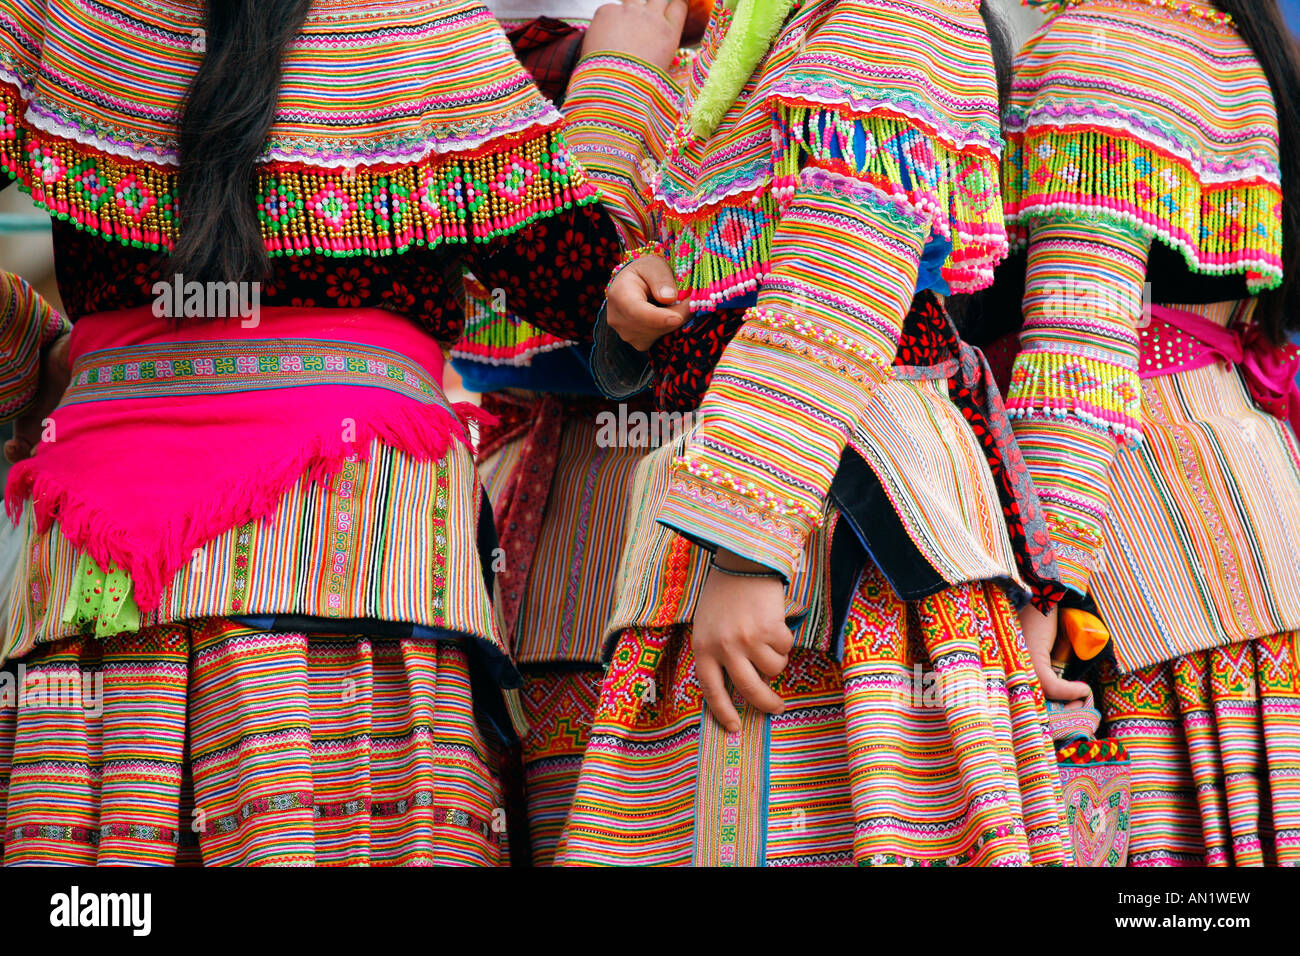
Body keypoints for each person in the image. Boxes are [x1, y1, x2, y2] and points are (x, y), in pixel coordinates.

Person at [0, 0, 622, 865]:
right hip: (356, 552)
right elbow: (601, 300)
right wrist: (622, 77)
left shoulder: (64, 18)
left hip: (92, 556)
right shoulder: (424, 32)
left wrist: (38, 358)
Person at [554, 0, 1073, 866]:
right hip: (726, 491)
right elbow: (607, 254)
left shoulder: (893, 11)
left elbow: (834, 287)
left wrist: (749, 552)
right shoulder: (758, 32)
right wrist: (641, 275)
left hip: (841, 504)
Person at [996, 0, 1300, 866]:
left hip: (1122, 520)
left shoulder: (1103, 43)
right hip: (1235, 496)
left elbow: (1080, 343)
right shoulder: (1218, 31)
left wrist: (1042, 589)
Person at [456, 0, 690, 865]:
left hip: (744, 478)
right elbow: (591, 282)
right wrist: (618, 77)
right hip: (573, 500)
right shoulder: (467, 55)